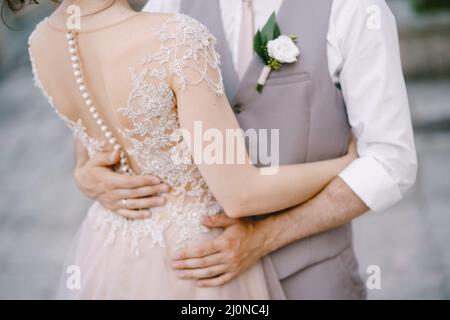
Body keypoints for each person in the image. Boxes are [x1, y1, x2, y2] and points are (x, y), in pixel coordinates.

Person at [74, 0, 418, 299]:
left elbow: (391, 162)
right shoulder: (171, 4)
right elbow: (113, 96)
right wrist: (86, 168)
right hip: (201, 286)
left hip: (313, 277)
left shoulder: (355, 8)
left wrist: (265, 238)